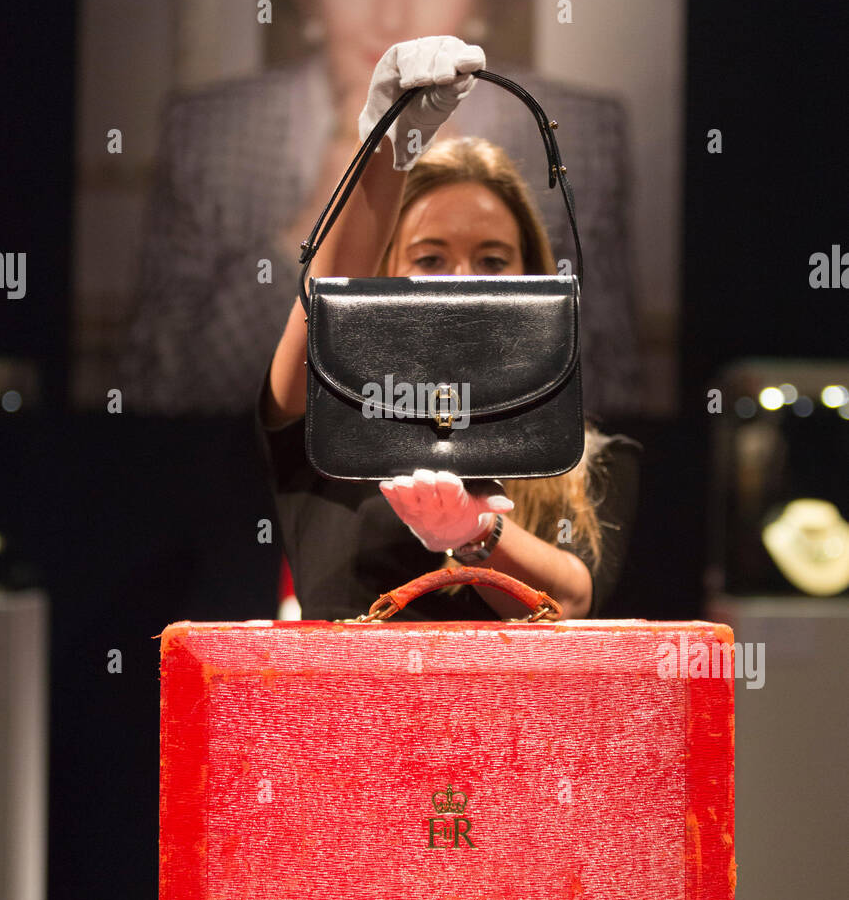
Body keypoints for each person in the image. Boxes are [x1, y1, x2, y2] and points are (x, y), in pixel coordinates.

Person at [118, 0, 641, 419]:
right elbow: (162, 390)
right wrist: (324, 206)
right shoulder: (211, 133)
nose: (391, 16)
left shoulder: (576, 134)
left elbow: (610, 395)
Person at [256, 38, 641, 622]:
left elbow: (571, 600)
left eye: (491, 261)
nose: (460, 283)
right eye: (430, 258)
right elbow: (325, 295)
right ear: (383, 273)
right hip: (349, 714)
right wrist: (388, 150)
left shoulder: (582, 456)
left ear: (534, 278)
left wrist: (475, 533)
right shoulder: (333, 412)